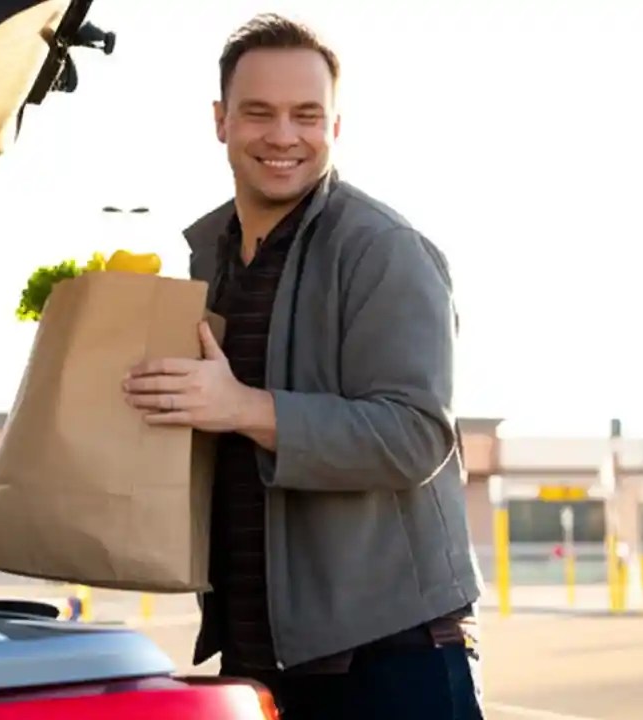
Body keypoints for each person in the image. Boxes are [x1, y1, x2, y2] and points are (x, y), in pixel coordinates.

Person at [121, 13, 483, 720]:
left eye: (306, 115)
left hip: (389, 662)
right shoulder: (212, 257)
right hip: (261, 657)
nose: (283, 136)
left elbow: (415, 436)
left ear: (336, 127)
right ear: (221, 121)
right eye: (258, 112)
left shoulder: (384, 250)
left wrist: (242, 407)